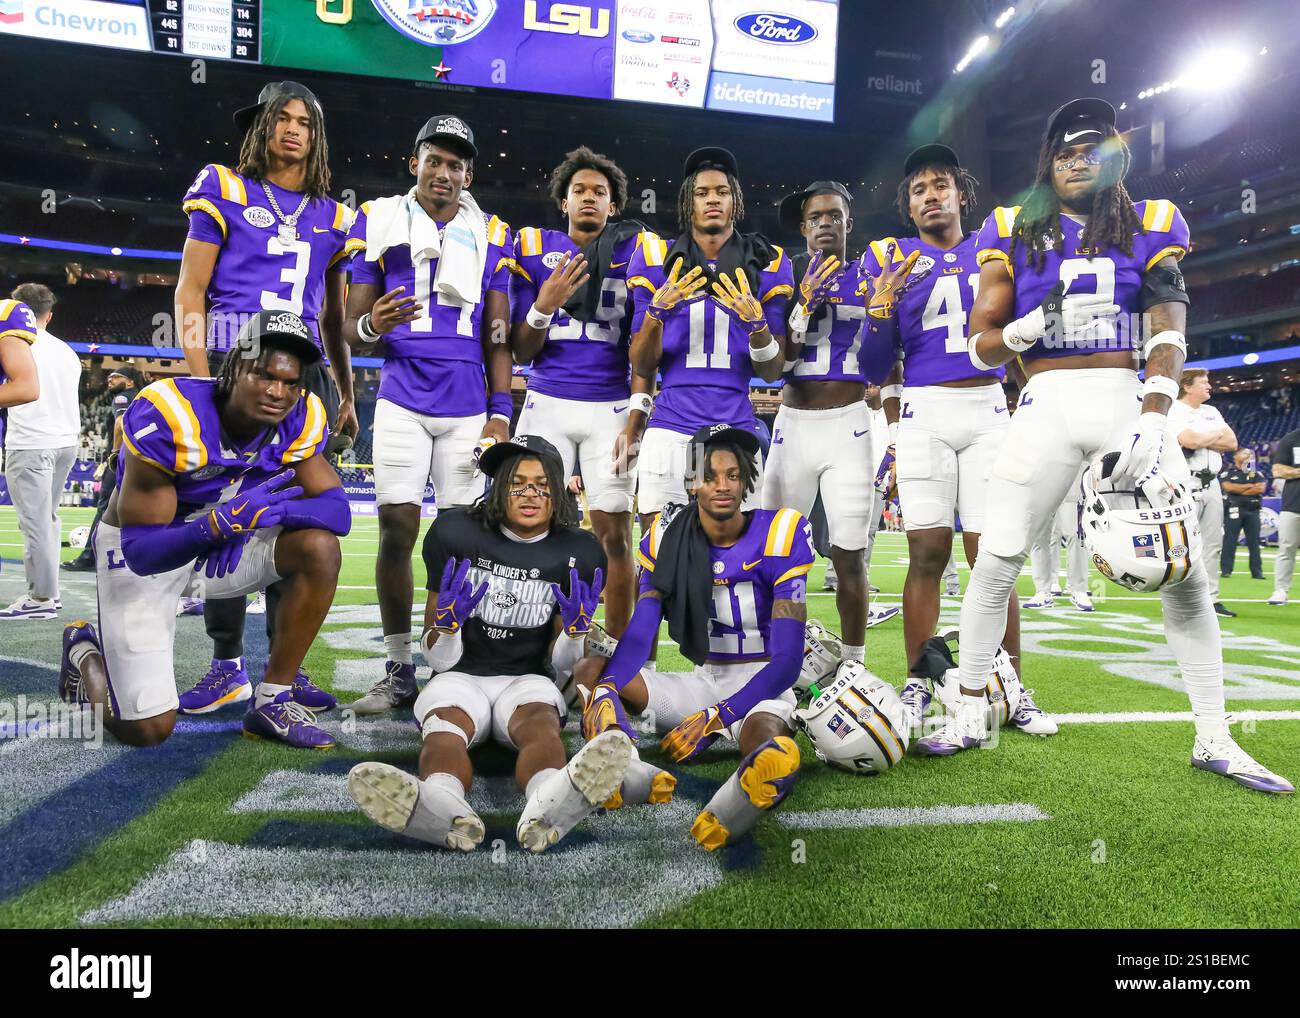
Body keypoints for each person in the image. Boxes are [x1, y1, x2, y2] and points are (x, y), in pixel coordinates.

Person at [926, 97, 1290, 793]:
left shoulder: (1151, 222)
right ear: (1047, 163)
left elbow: (1166, 328)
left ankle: (1214, 736)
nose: (1077, 160)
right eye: (1064, 151)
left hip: (1127, 400)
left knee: (1186, 573)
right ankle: (970, 709)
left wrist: (1156, 417)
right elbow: (978, 346)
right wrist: (1027, 331)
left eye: (1092, 149)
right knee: (997, 557)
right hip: (1043, 403)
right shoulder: (1011, 228)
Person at [57, 312, 350, 748]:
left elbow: (337, 513)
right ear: (232, 368)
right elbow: (142, 553)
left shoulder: (302, 414)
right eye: (263, 375)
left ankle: (272, 700)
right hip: (147, 551)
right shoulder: (171, 413)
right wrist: (219, 524)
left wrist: (260, 516)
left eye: (290, 382)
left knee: (318, 548)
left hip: (222, 545)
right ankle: (83, 651)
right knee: (147, 730)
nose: (278, 392)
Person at [345, 434, 632, 854]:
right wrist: (448, 627)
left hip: (528, 679)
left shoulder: (579, 550)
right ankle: (443, 805)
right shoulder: (456, 532)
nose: (529, 493)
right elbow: (437, 655)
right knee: (444, 731)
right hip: (460, 674)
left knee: (542, 728)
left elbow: (563, 662)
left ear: (557, 489)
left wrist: (573, 635)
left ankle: (545, 805)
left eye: (541, 483)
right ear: (498, 486)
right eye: (517, 482)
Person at [175, 80, 356, 711]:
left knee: (296, 513)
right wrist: (200, 378)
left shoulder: (335, 214)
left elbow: (334, 321)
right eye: (281, 118)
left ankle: (287, 662)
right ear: (262, 126)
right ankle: (227, 663)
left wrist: (347, 390)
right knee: (224, 514)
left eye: (305, 121)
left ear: (317, 134)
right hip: (232, 362)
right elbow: (190, 292)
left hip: (302, 370)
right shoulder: (224, 186)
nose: (292, 129)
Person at [858, 145, 1048, 735]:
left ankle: (1009, 683)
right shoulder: (889, 258)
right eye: (917, 189)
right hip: (924, 409)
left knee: (993, 556)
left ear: (962, 193)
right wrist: (881, 308)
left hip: (991, 407)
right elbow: (871, 365)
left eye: (940, 184)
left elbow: (1022, 338)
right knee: (927, 553)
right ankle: (919, 679)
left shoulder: (998, 245)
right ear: (908, 207)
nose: (930, 195)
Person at [342, 114, 514, 715]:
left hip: (468, 402)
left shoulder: (492, 231)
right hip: (401, 396)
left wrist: (501, 411)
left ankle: (452, 656)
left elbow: (498, 335)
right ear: (413, 162)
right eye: (434, 161)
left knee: (462, 539)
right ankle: (397, 666)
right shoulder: (378, 219)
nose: (444, 173)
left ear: (469, 174)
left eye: (456, 165)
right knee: (396, 529)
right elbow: (352, 329)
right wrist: (371, 325)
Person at [573, 425, 812, 851]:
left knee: (766, 737)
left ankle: (739, 801)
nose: (722, 486)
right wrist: (609, 688)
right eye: (710, 475)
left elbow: (788, 662)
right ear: (691, 482)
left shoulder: (780, 532)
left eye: (733, 475)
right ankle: (627, 774)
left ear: (746, 482)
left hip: (761, 684)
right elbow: (642, 626)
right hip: (704, 682)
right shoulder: (668, 537)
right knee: (593, 671)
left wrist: (721, 716)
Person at [509, 146, 648, 637]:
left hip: (609, 406)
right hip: (545, 401)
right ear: (563, 202)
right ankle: (531, 644)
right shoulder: (532, 246)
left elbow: (644, 351)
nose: (589, 198)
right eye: (580, 191)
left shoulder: (635, 252)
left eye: (600, 193)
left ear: (614, 206)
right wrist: (544, 306)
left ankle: (612, 658)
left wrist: (636, 418)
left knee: (615, 537)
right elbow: (523, 351)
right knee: (528, 530)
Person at [627, 147, 793, 530]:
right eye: (702, 192)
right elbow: (641, 363)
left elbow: (771, 371)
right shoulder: (655, 258)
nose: (713, 199)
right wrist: (656, 313)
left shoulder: (767, 261)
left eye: (722, 191)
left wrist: (758, 327)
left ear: (735, 200)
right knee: (658, 553)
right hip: (671, 425)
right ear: (688, 202)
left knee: (737, 558)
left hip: (735, 426)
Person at [763, 179, 890, 670]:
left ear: (848, 224)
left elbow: (884, 362)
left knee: (848, 554)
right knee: (776, 554)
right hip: (793, 424)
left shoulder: (870, 277)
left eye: (834, 216)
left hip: (849, 426)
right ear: (804, 227)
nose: (824, 224)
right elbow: (773, 362)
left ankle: (854, 665)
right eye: (816, 217)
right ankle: (773, 658)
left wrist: (883, 312)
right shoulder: (784, 275)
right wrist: (802, 305)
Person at [1, 284, 81, 621]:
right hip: (66, 441)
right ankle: (51, 592)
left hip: (32, 441)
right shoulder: (67, 351)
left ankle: (41, 597)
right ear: (49, 314)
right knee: (47, 518)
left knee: (34, 523)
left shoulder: (18, 342)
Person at [64, 365, 148, 573]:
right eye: (109, 377)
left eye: (115, 377)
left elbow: (120, 424)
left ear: (129, 381)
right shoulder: (142, 397)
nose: (109, 380)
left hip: (122, 460)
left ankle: (89, 557)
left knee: (105, 508)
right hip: (141, 460)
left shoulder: (123, 398)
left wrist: (113, 454)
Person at [1168, 368, 1236, 616]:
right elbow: (1189, 441)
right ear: (1187, 386)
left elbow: (1232, 443)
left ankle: (1211, 599)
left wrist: (1203, 437)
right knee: (1183, 543)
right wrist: (1215, 434)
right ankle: (1181, 597)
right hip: (1185, 482)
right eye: (1204, 382)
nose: (1209, 386)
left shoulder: (1212, 411)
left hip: (1213, 483)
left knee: (1212, 543)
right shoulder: (1174, 409)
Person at [1026, 466, 1093, 611]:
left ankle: (1079, 589)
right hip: (1040, 480)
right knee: (1040, 538)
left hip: (1071, 478)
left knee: (1075, 535)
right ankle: (1042, 591)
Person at [1220, 447, 1267, 581]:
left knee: (1254, 543)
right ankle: (1226, 570)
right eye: (1245, 453)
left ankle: (1257, 572)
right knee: (1230, 540)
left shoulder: (1255, 473)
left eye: (1250, 453)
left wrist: (1238, 490)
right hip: (1234, 509)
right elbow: (1228, 487)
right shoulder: (1228, 472)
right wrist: (1250, 487)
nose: (1248, 455)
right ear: (1236, 456)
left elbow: (1261, 488)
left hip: (1252, 510)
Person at [1270, 425, 1300, 605]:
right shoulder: (1292, 438)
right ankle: (1280, 590)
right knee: (1286, 549)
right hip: (1293, 502)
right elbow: (1277, 471)